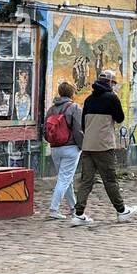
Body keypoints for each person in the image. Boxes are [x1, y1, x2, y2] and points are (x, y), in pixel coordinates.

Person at [70, 71, 137, 226]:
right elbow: (120, 118)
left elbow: (83, 124)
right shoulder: (112, 98)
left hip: (88, 145)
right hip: (104, 145)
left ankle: (78, 213)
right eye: (113, 83)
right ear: (109, 83)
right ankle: (121, 210)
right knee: (110, 179)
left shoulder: (88, 100)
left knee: (86, 181)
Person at [44, 81, 83, 220]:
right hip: (71, 148)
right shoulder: (74, 108)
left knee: (67, 179)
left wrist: (52, 142)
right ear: (72, 93)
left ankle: (73, 208)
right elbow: (78, 130)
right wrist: (82, 146)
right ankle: (53, 210)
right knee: (63, 179)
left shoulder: (51, 109)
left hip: (55, 148)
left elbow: (45, 130)